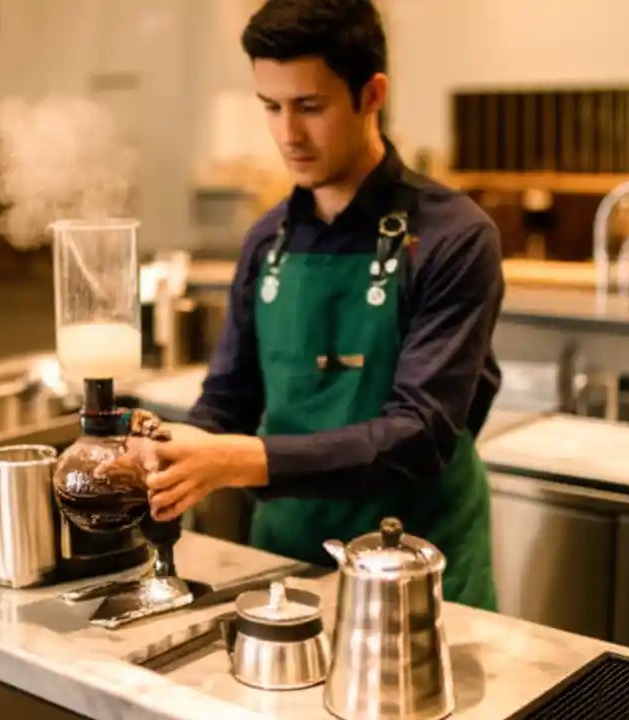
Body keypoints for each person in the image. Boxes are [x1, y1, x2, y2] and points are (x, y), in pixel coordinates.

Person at [146, 0, 504, 610]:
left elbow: (418, 435)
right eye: (272, 107)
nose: (288, 134)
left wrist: (235, 460)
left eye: (310, 106)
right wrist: (170, 448)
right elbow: (228, 403)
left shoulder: (455, 236)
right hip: (284, 566)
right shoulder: (266, 242)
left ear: (371, 94)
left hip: (418, 573)